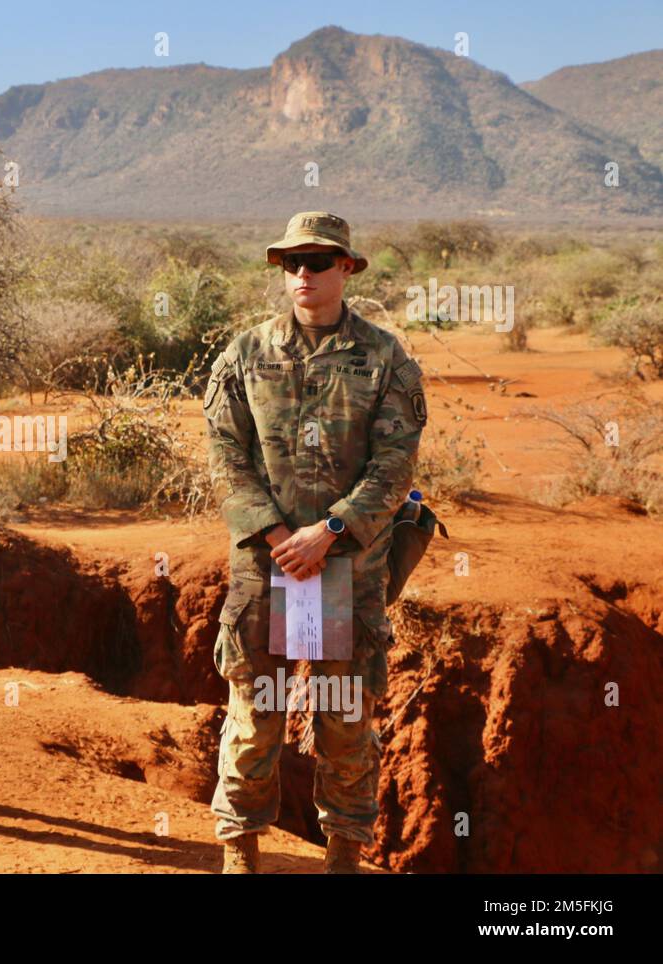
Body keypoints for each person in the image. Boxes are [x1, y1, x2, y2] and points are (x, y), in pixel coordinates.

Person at [202, 211, 427, 873]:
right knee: (254, 716)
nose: (304, 273)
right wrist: (279, 535)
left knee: (346, 721)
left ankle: (344, 858)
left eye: (320, 261)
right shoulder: (246, 354)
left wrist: (327, 532)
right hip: (266, 567)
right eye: (293, 262)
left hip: (345, 570)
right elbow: (224, 456)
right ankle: (240, 854)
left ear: (347, 269)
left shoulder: (384, 356)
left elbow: (395, 464)